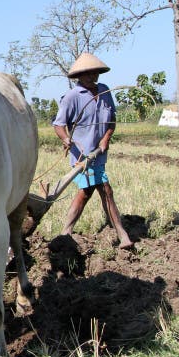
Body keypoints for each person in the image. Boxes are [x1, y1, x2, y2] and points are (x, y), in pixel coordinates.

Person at [52, 52, 134, 249]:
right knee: (104, 189)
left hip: (99, 154)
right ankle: (122, 234)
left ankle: (66, 232)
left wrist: (106, 138)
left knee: (88, 191)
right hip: (82, 156)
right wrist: (66, 139)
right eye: (87, 73)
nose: (92, 76)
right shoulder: (72, 97)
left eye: (95, 72)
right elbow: (58, 124)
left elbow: (111, 120)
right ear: (79, 76)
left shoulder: (105, 91)